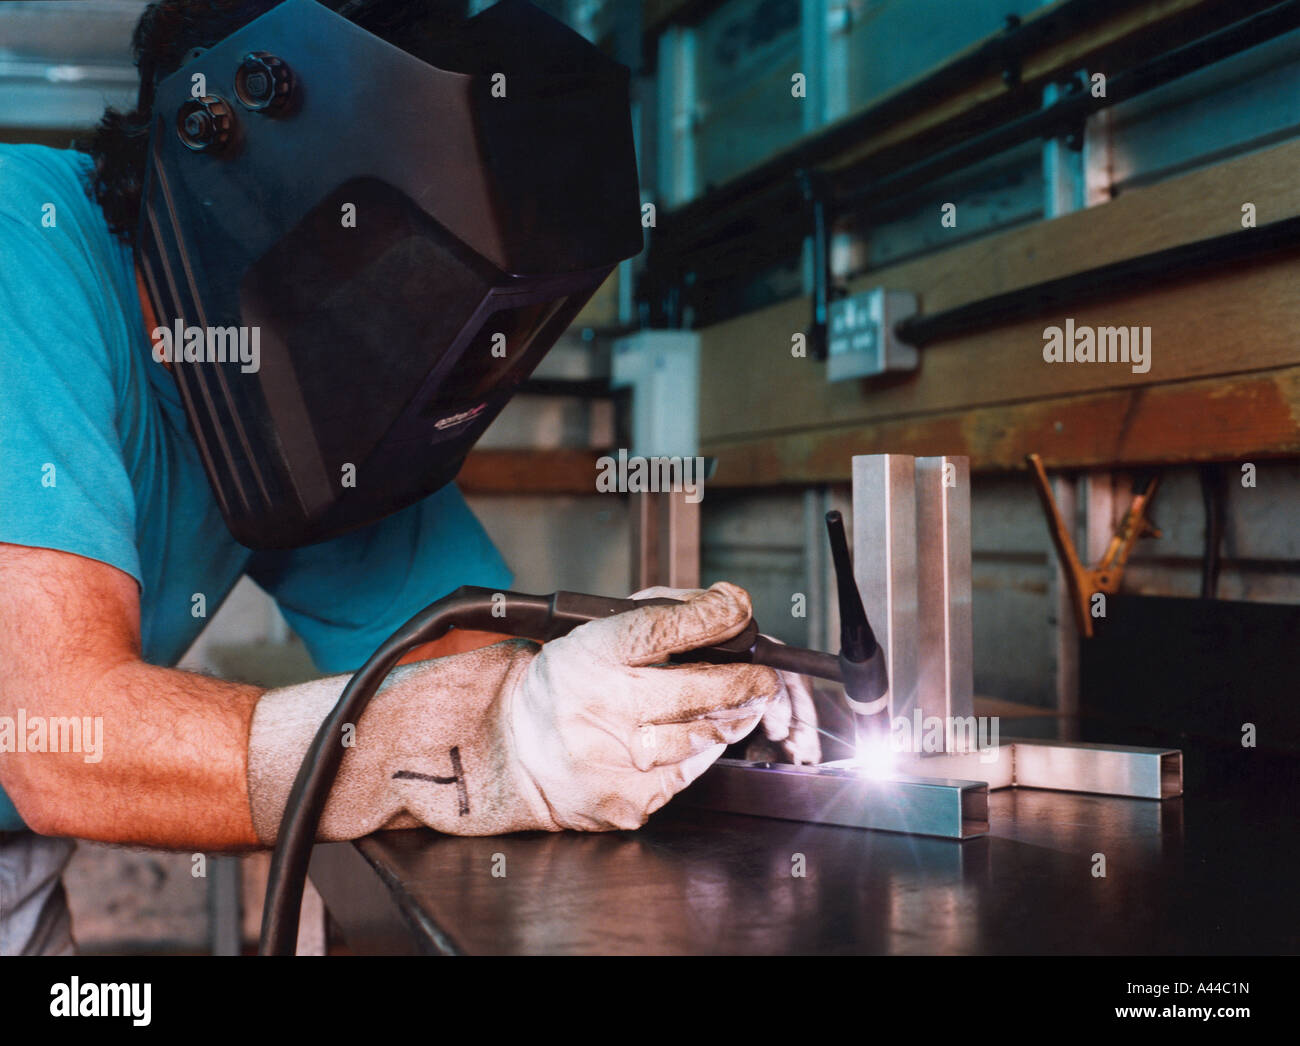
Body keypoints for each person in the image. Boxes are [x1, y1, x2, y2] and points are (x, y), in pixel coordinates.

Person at [0, 0, 816, 955]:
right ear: (222, 140)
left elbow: (467, 650)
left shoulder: (288, 393)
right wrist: (476, 743)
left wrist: (629, 684)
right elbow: (59, 740)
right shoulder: (24, 249)